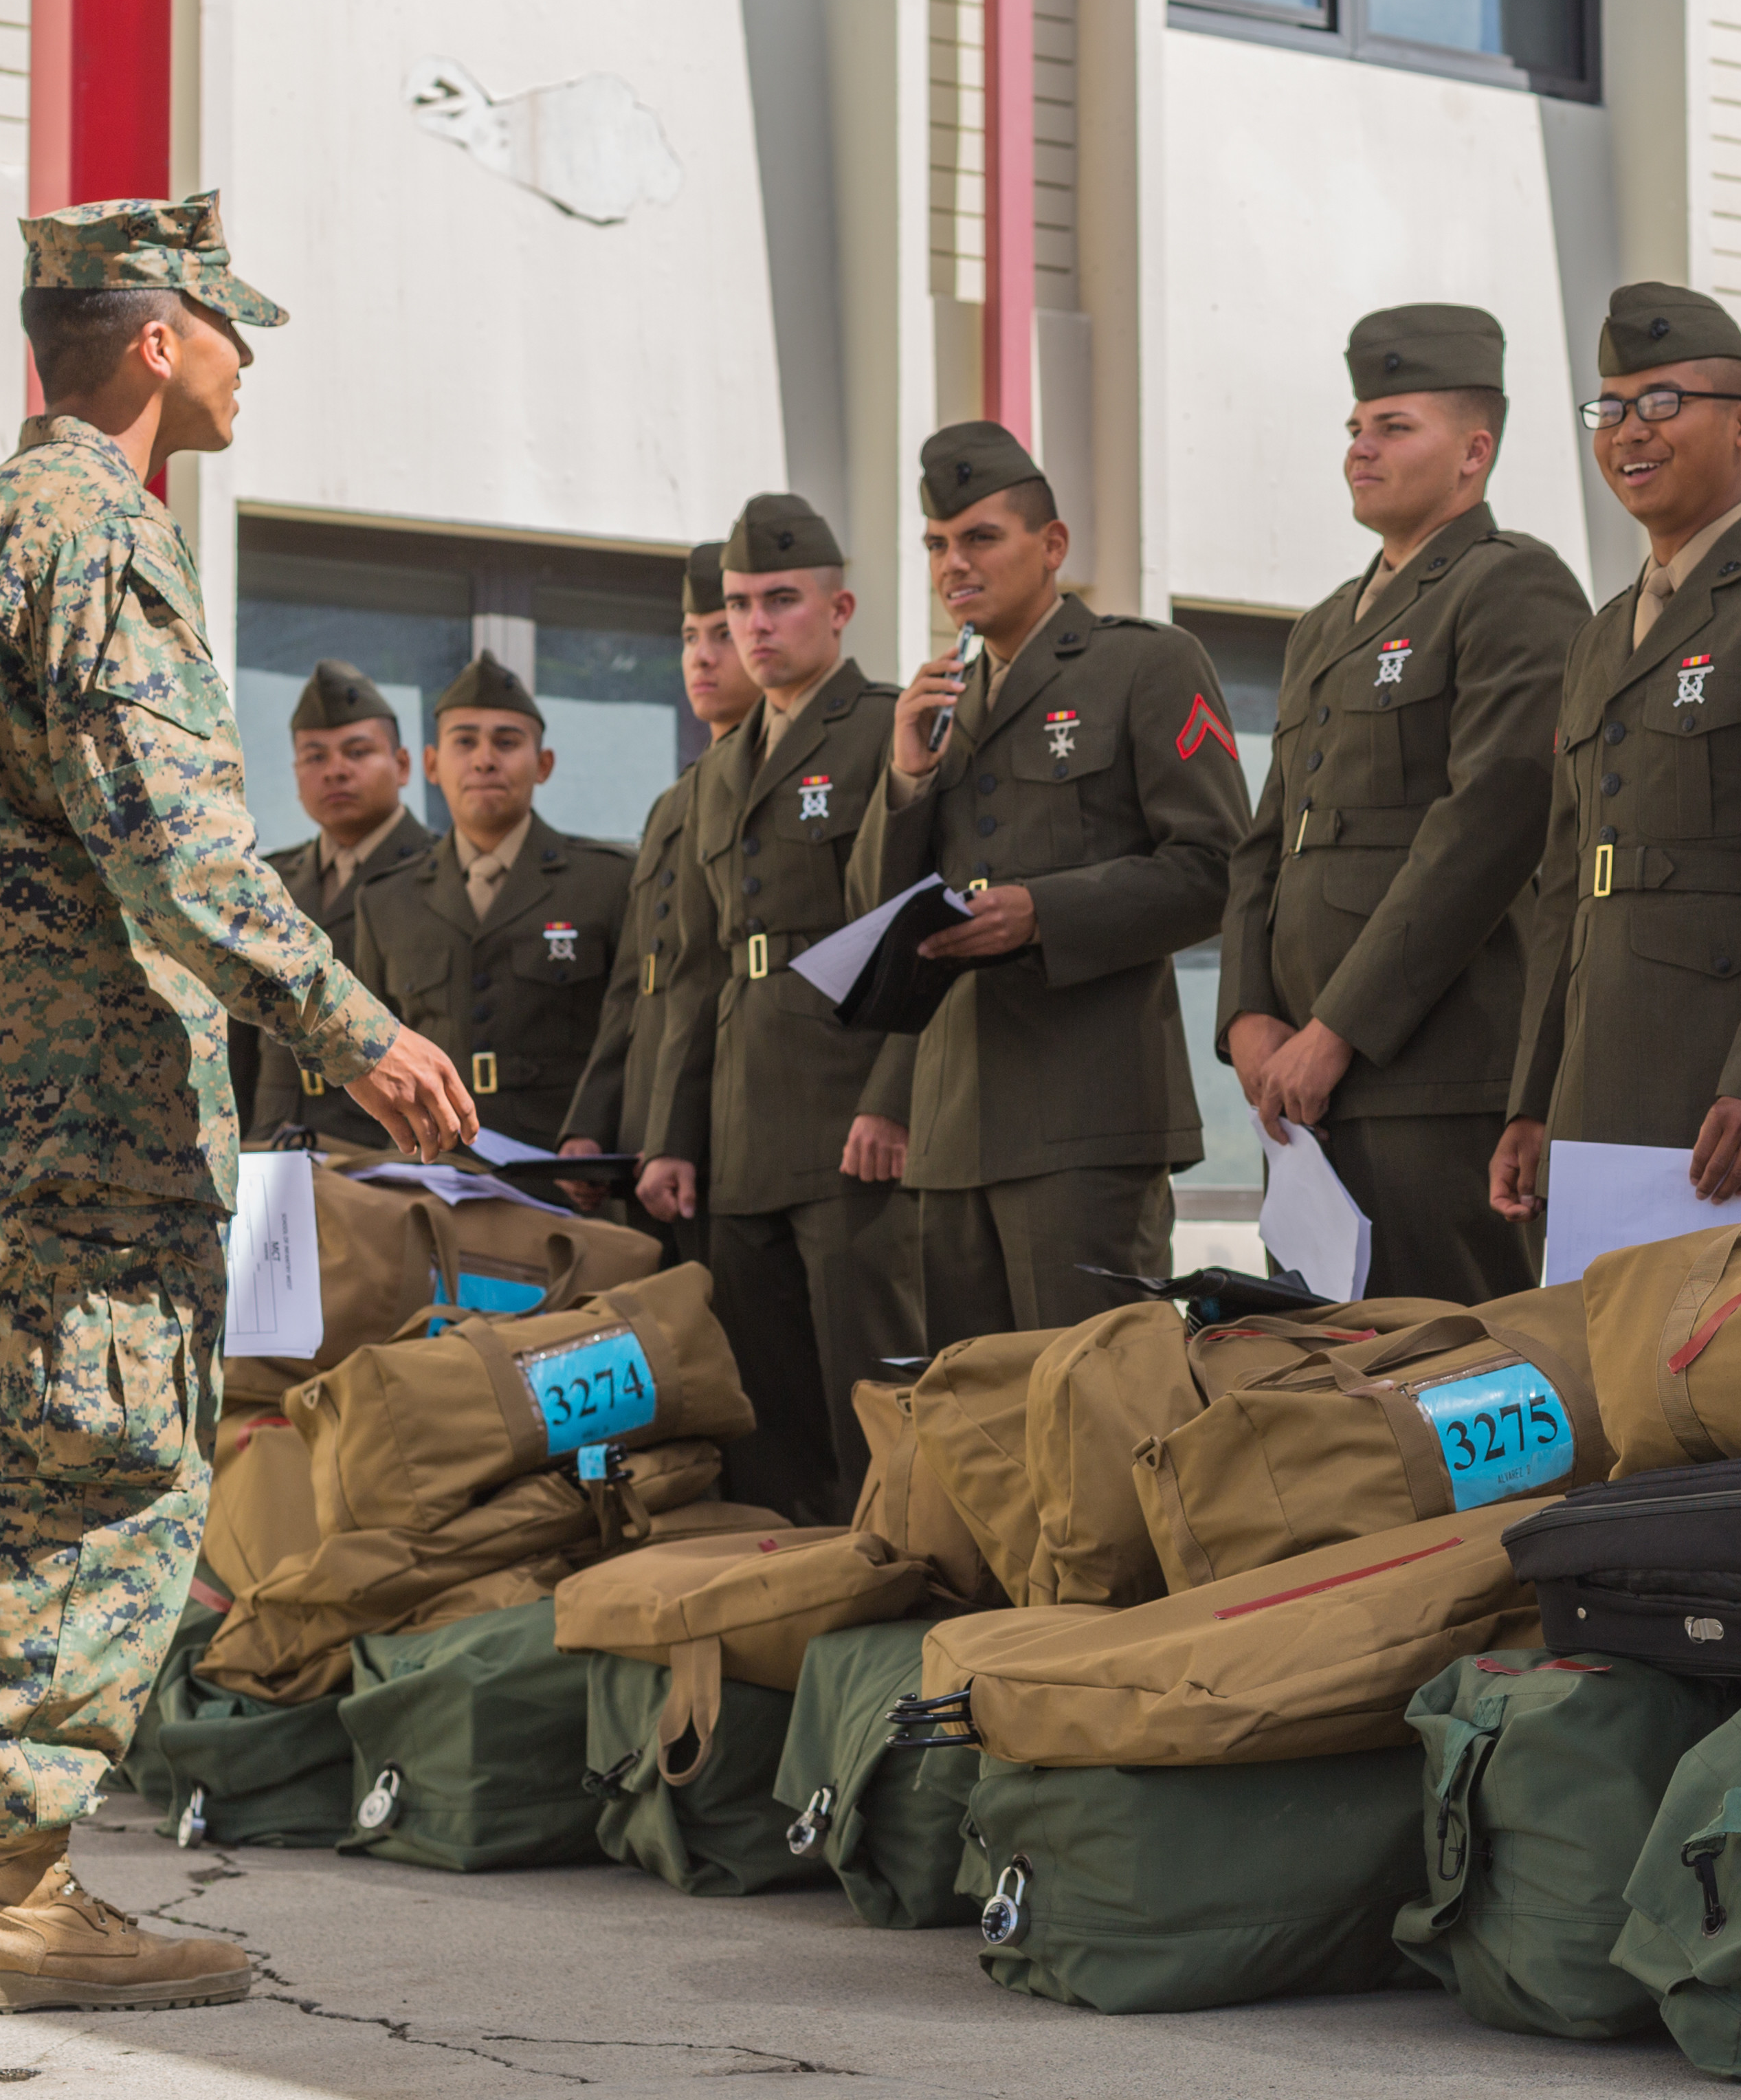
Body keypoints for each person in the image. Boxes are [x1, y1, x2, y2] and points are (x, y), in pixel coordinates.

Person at [0, 194, 472, 2017]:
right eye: (232, 327)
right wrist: (356, 1029)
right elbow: (180, 848)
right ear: (157, 342)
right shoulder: (99, 539)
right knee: (94, 1479)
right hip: (78, 1105)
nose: (251, 360)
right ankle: (8, 1900)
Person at [1494, 283, 1741, 1222]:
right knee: (1596, 1370)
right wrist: (1531, 1100)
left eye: (1664, 403)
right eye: (1611, 408)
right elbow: (1565, 890)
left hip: (1735, 1125)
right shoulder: (1599, 641)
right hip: (1592, 1121)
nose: (1630, 432)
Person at [1217, 305, 1585, 1302]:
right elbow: (1264, 846)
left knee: (1448, 1378)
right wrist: (1248, 1018)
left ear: (1474, 451)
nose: (1360, 450)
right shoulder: (1324, 625)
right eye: (1353, 428)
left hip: (1430, 1081)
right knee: (1320, 1397)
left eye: (1392, 427)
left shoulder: (1509, 586)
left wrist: (1335, 1029)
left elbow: (1488, 825)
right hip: (1298, 1097)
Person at [856, 423, 1248, 1347]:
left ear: (1052, 546)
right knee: (979, 1425)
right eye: (937, 546)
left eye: (981, 538)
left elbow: (1215, 867)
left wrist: (1044, 913)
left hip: (1089, 1118)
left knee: (1099, 1407)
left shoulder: (1141, 665)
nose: (954, 563)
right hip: (954, 1129)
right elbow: (876, 913)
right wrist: (906, 777)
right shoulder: (942, 702)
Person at [638, 494, 919, 1519]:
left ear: (838, 609)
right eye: (739, 604)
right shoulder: (720, 767)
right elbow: (699, 968)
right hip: (742, 1129)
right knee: (766, 1406)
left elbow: (911, 929)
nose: (756, 626)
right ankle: (791, 1597)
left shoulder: (883, 728)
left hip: (847, 1115)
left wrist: (893, 1096)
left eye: (780, 601)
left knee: (868, 1394)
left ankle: (889, 1583)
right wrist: (673, 1134)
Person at [346, 654, 632, 1152]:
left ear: (543, 764)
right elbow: (374, 1052)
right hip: (434, 1170)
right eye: (464, 741)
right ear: (432, 764)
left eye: (506, 742)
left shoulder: (607, 882)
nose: (484, 759)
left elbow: (631, 1029)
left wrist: (593, 1135)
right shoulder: (385, 900)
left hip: (559, 1167)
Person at [559, 542, 755, 1241]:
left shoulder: (768, 787)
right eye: (689, 638)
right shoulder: (672, 803)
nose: (702, 657)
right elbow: (634, 989)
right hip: (645, 1133)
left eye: (723, 636)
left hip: (732, 1125)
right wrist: (591, 1124)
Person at [236, 659, 432, 1141]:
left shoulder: (442, 876)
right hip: (274, 1147)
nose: (336, 771)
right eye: (315, 757)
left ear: (402, 765)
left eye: (357, 752)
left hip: (386, 1154)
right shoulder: (269, 881)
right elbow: (238, 1042)